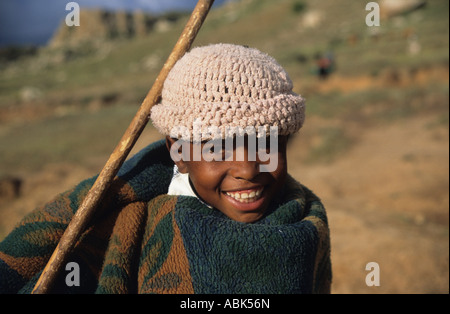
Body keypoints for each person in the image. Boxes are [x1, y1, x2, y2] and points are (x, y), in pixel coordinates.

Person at [0, 44, 331, 294]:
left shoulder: (304, 221)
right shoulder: (129, 226)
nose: (247, 168)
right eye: (218, 146)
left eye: (266, 143)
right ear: (180, 151)